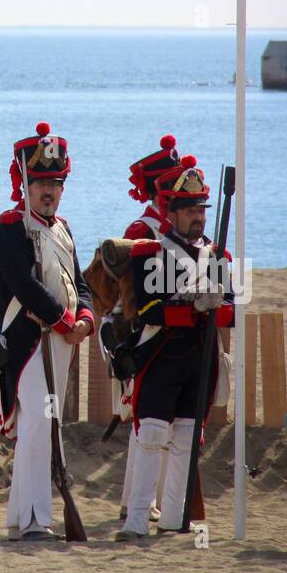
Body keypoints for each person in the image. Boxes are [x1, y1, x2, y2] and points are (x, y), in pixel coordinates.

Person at [0, 122, 95, 541]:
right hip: (28, 342)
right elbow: (24, 284)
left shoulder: (63, 228)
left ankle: (20, 519)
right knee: (36, 427)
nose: (48, 190)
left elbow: (79, 283)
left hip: (62, 341)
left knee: (46, 426)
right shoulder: (10, 227)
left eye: (55, 182)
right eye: (41, 182)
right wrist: (63, 320)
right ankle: (35, 520)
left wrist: (84, 317)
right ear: (24, 184)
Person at [116, 156, 234, 540]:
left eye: (201, 208)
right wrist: (193, 305)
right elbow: (148, 311)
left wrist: (219, 305)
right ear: (171, 211)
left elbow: (232, 314)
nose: (197, 216)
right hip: (161, 357)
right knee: (150, 437)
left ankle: (173, 518)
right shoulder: (148, 252)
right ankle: (135, 522)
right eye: (189, 209)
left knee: (185, 440)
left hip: (199, 361)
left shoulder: (219, 256)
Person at [113, 135, 184, 522]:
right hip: (144, 333)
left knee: (166, 422)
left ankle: (145, 501)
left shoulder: (172, 227)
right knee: (146, 422)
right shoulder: (142, 229)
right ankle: (135, 503)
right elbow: (130, 295)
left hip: (176, 337)